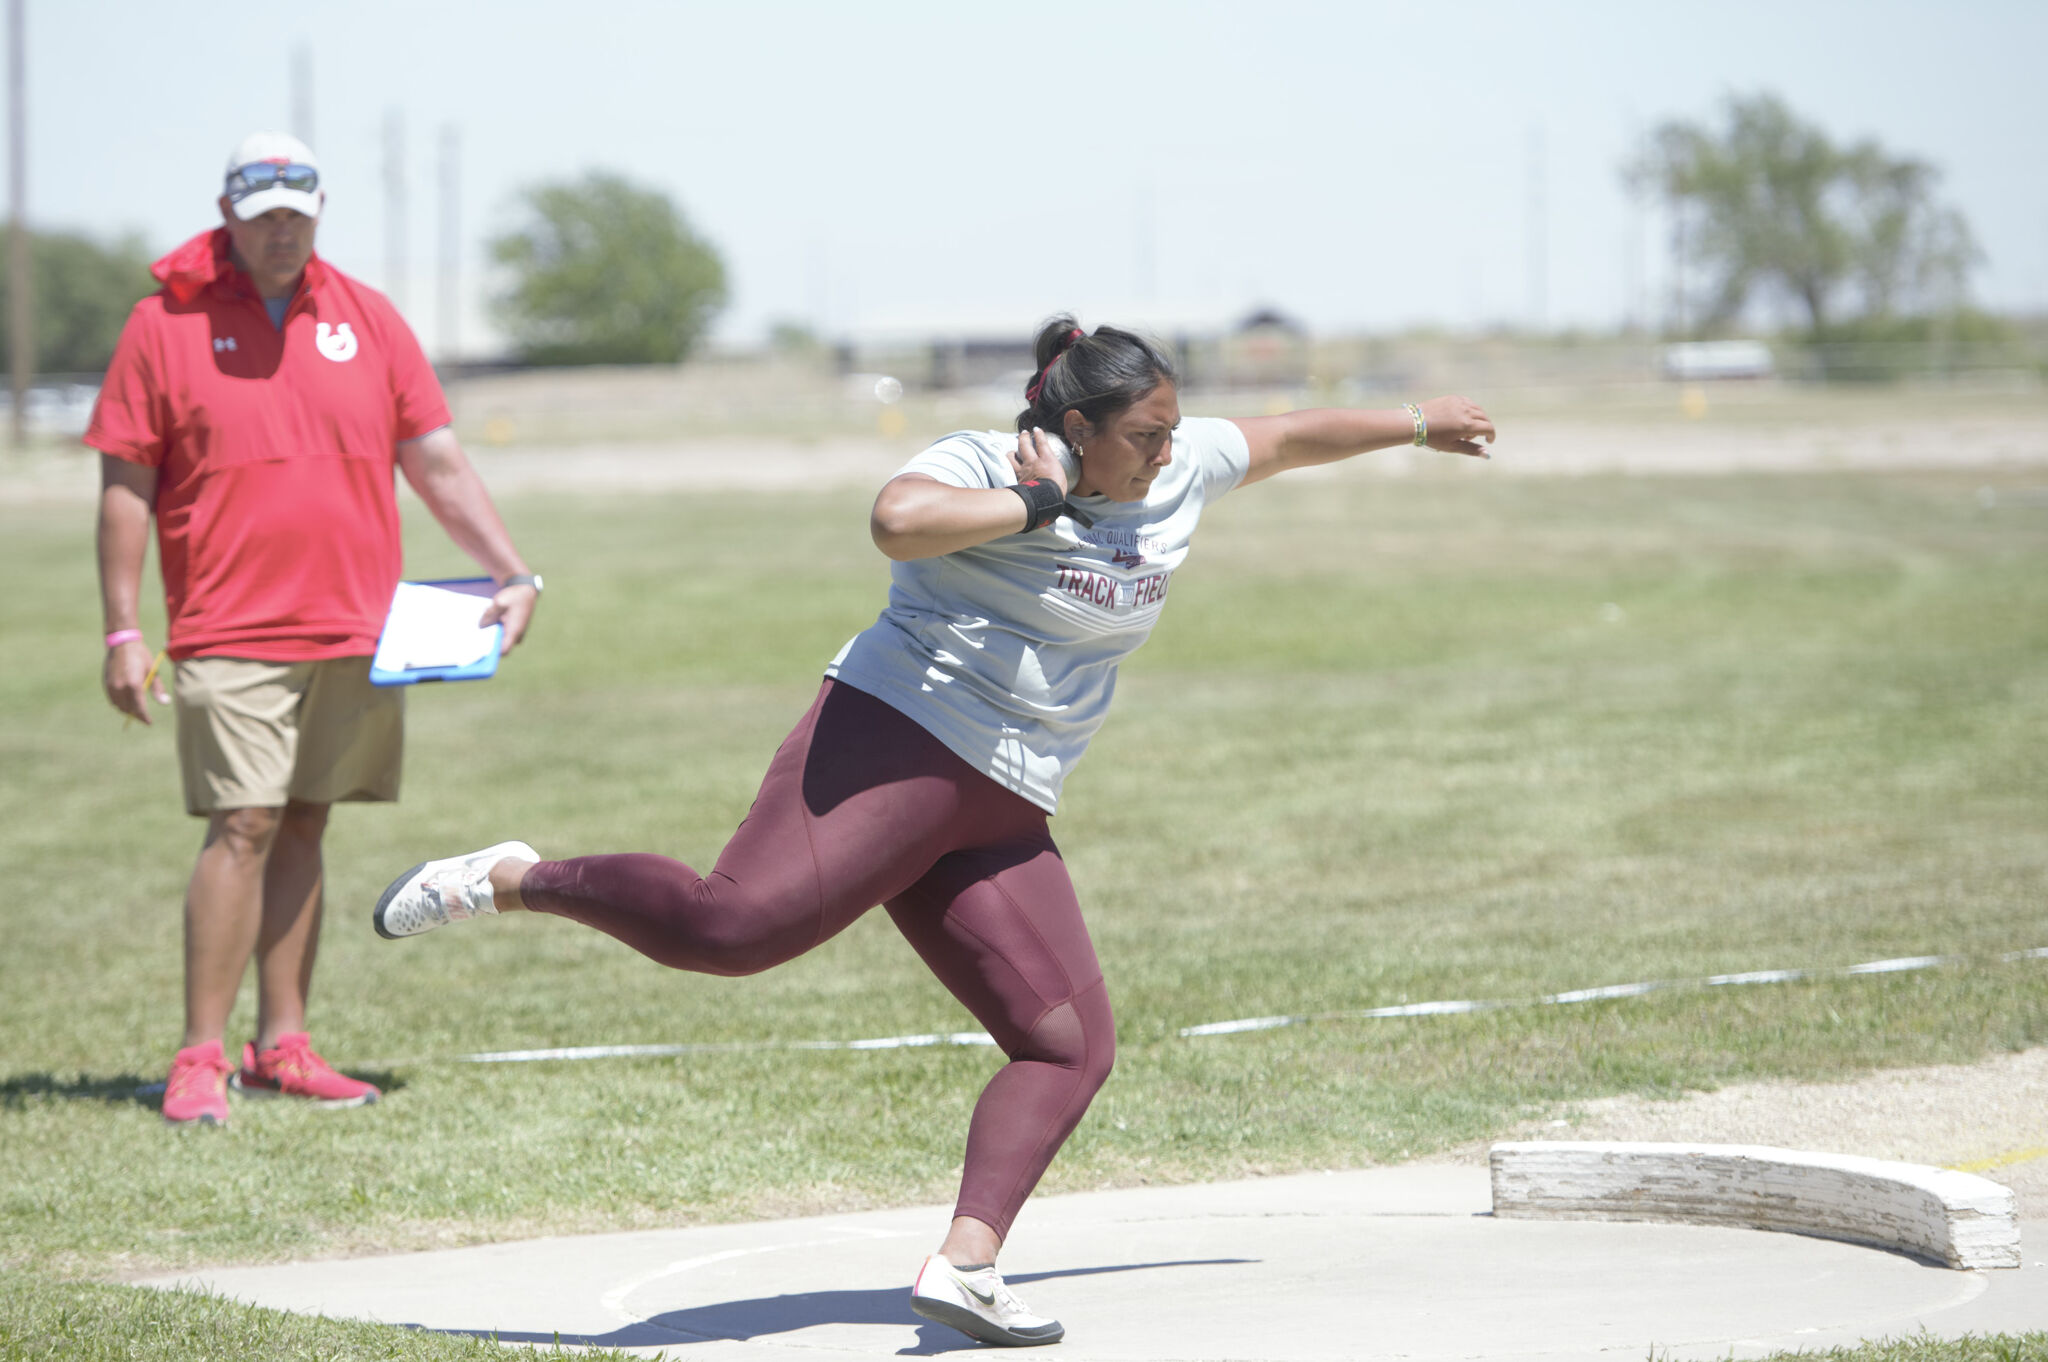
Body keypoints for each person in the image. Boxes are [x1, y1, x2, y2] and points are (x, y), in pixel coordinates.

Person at [373, 316, 1493, 1346]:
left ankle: (965, 1265)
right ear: (1070, 428)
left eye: (1168, 431)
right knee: (732, 931)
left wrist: (1416, 424)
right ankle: (514, 877)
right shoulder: (984, 462)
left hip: (1008, 794)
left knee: (1067, 1044)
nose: (1166, 452)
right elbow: (892, 522)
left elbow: (1290, 435)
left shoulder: (1178, 462)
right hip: (897, 738)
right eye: (1142, 437)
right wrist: (1040, 506)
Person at [89, 132, 543, 1129]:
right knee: (241, 823)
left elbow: (436, 464)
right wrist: (125, 632)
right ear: (229, 214)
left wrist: (513, 570)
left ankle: (282, 1045)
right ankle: (199, 1056)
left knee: (304, 820)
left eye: (298, 213)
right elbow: (124, 489)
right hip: (224, 625)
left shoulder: (370, 319)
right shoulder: (159, 325)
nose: (282, 232)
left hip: (354, 627)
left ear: (320, 210)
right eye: (263, 218)